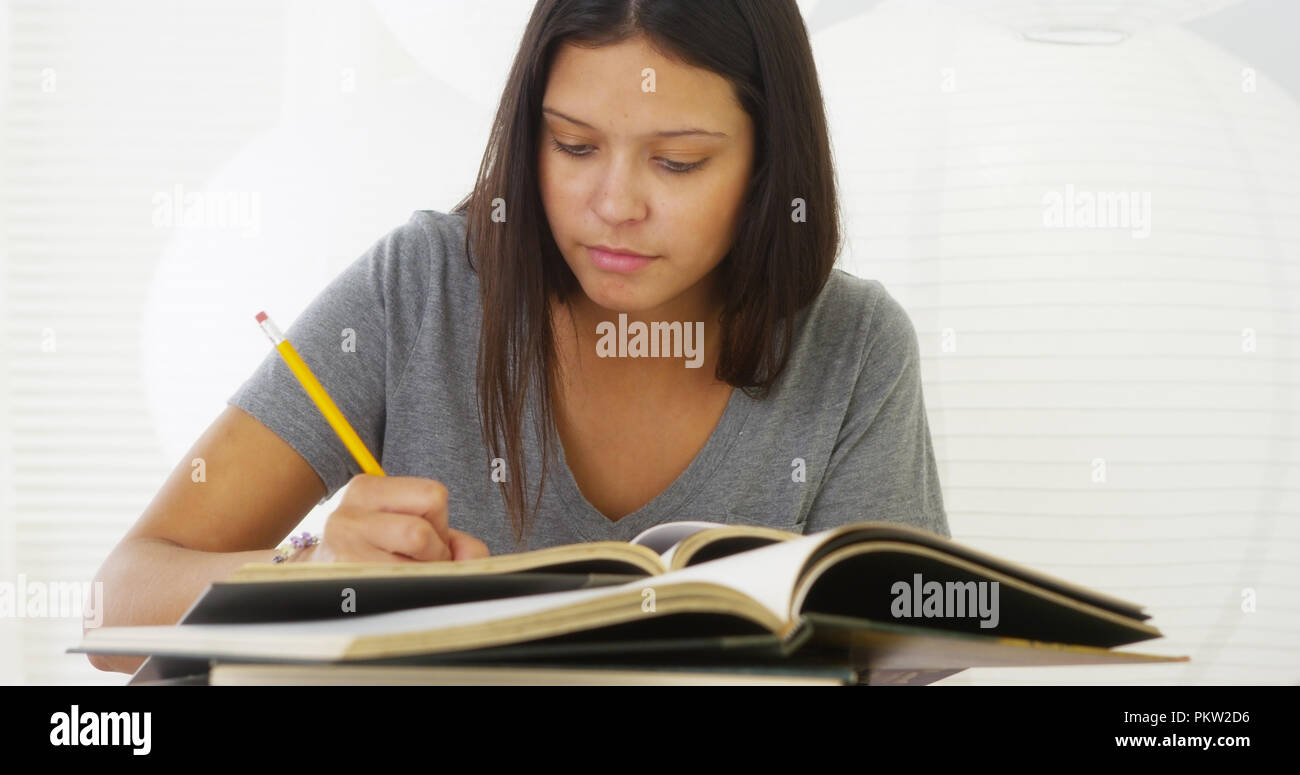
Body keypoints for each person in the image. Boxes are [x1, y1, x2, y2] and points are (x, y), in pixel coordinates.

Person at [87, 0, 948, 674]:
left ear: (769, 163)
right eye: (572, 146)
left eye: (677, 161)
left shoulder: (854, 348)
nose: (614, 204)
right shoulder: (419, 289)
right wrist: (308, 580)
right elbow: (113, 610)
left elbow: (902, 664)